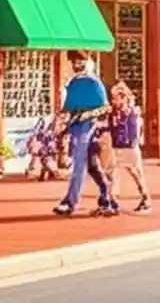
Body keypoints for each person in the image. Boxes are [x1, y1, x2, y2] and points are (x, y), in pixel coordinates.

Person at [53, 52, 109, 217]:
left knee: (79, 165)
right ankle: (107, 195)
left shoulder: (94, 83)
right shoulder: (73, 83)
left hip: (88, 129)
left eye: (80, 61)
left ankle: (71, 202)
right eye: (74, 62)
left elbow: (105, 107)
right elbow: (68, 107)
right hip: (75, 128)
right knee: (92, 167)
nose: (77, 65)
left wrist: (86, 115)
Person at [108, 82, 151, 213]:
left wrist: (137, 140)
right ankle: (113, 200)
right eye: (112, 98)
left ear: (123, 98)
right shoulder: (113, 112)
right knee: (113, 172)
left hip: (130, 146)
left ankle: (145, 197)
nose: (113, 101)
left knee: (136, 172)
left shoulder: (131, 112)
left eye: (115, 98)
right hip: (117, 145)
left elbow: (137, 128)